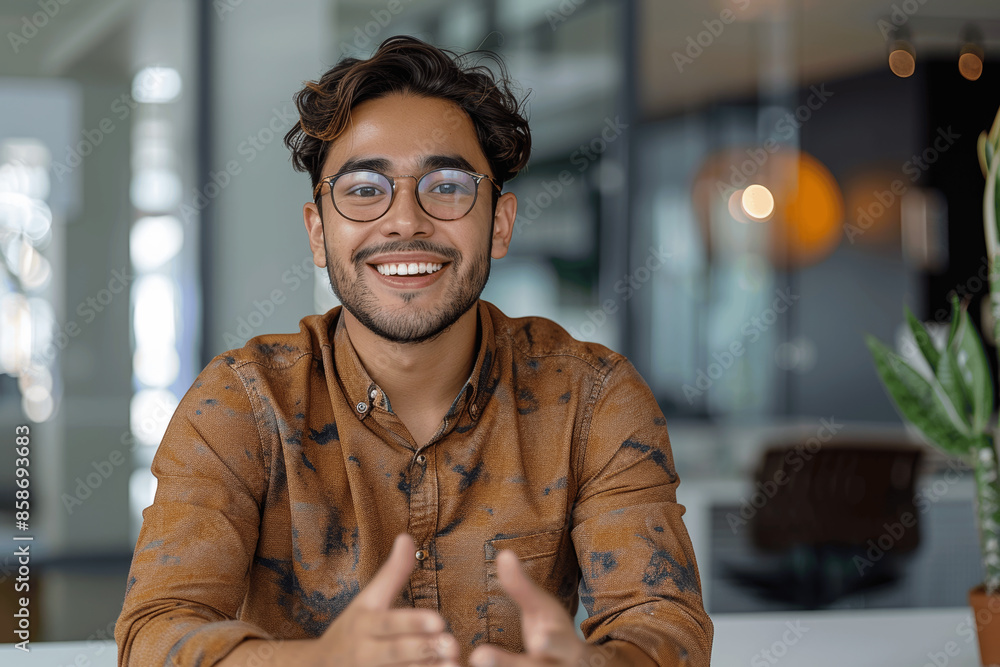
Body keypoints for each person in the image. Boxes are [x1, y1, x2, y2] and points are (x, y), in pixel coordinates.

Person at [115, 35, 713, 667]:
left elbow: (664, 626)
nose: (405, 221)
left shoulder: (591, 397)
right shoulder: (243, 402)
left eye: (448, 186)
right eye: (365, 189)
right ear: (319, 233)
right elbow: (154, 634)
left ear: (500, 223)